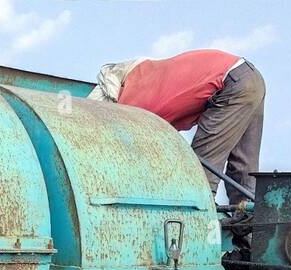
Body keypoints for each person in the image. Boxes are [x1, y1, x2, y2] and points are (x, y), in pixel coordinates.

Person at [88, 49, 266, 204]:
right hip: (250, 77)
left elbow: (138, 153)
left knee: (199, 179)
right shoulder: (146, 74)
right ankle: (249, 238)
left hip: (230, 84)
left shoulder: (132, 105)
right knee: (244, 174)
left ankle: (199, 234)